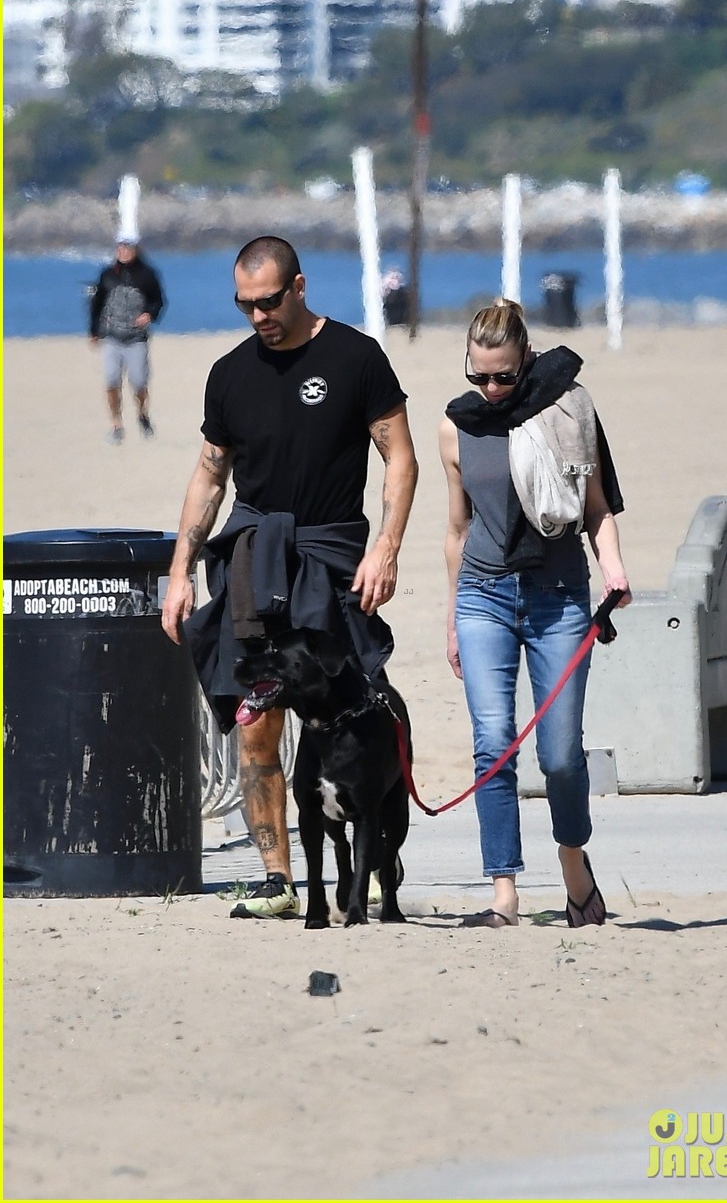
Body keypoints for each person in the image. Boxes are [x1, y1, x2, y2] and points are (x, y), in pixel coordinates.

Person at [162, 235, 419, 919]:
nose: (257, 317)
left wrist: (386, 547)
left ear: (298, 287)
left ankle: (373, 851)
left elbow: (399, 457)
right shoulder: (229, 373)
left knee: (359, 708)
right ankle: (279, 879)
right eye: (245, 305)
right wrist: (179, 572)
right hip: (254, 558)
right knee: (255, 722)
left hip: (334, 554)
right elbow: (210, 474)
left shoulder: (355, 356)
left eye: (268, 302)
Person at [439, 299, 630, 929]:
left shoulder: (567, 409)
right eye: (480, 377)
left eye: (503, 376)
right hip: (482, 597)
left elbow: (597, 505)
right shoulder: (457, 426)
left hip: (560, 597)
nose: (491, 389)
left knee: (559, 755)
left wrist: (614, 572)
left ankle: (574, 864)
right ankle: (504, 893)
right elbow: (457, 527)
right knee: (492, 742)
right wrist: (450, 617)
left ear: (525, 360)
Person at [89, 235, 165, 444]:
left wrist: (150, 314)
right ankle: (116, 424)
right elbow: (96, 303)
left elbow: (158, 300)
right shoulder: (107, 275)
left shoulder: (147, 275)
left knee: (139, 382)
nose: (123, 251)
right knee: (111, 380)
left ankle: (142, 414)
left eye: (127, 248)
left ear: (136, 250)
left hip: (136, 339)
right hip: (112, 337)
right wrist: (94, 331)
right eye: (120, 248)